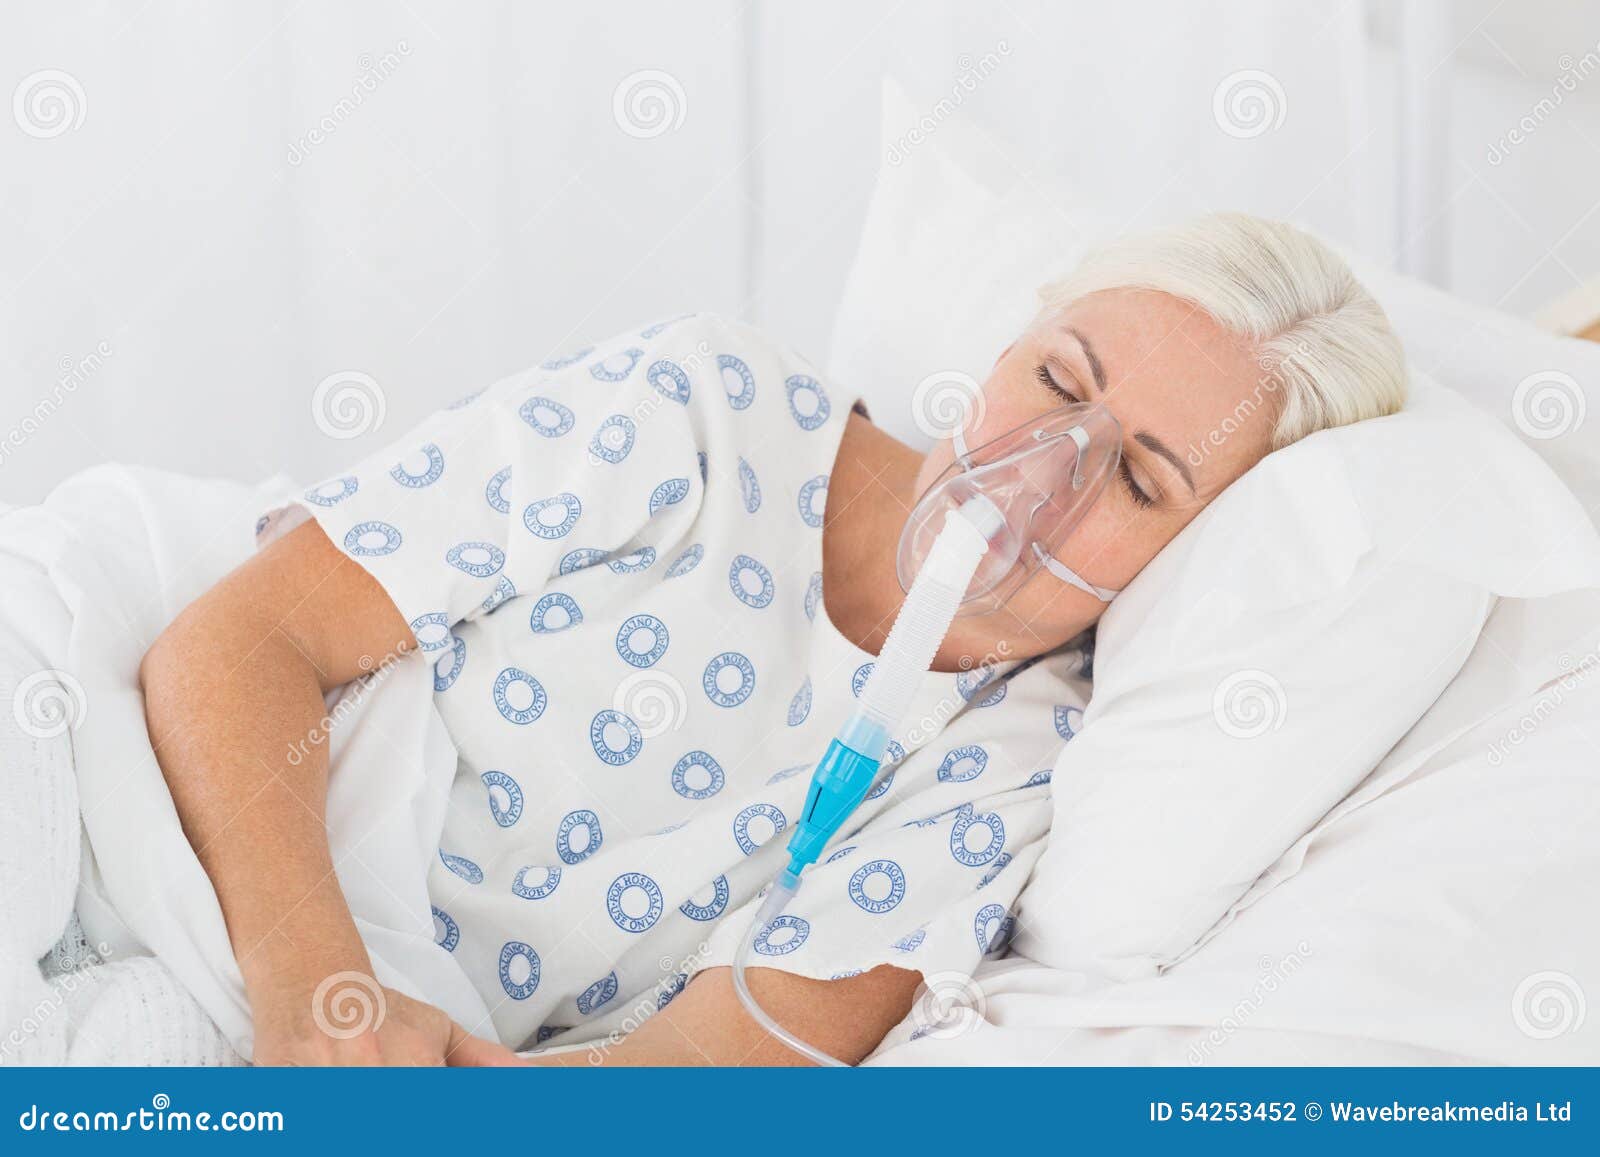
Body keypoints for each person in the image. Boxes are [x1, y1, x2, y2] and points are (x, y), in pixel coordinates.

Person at [140, 213, 1406, 1066]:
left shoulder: (1026, 767)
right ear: (1009, 339)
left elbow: (703, 1074)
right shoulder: (704, 414)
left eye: (1138, 480)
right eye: (1059, 384)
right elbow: (244, 640)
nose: (1036, 481)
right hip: (195, 835)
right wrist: (315, 987)